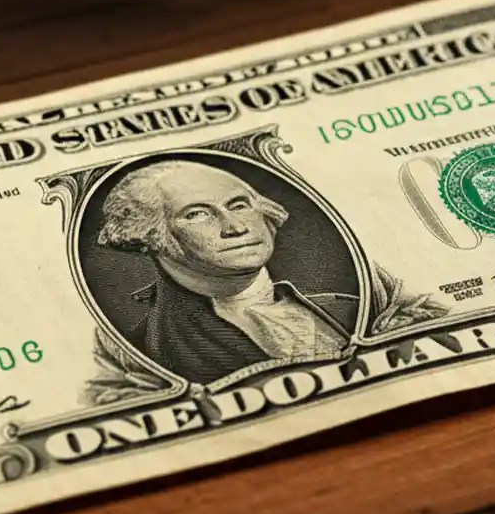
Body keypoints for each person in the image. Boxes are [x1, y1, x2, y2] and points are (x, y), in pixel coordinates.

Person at [96, 159, 356, 384]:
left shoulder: (347, 309)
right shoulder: (147, 354)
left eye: (239, 205)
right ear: (151, 235)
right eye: (197, 214)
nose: (235, 227)